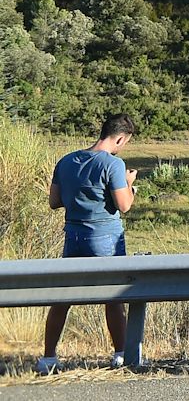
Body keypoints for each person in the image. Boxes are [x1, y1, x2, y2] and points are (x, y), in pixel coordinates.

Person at [40, 114, 139, 375]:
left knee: (62, 297)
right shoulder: (113, 164)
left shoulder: (67, 161)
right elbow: (124, 205)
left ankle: (49, 357)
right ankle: (121, 354)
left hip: (73, 235)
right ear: (120, 138)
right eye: (124, 142)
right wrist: (129, 185)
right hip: (105, 237)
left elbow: (54, 201)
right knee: (114, 297)